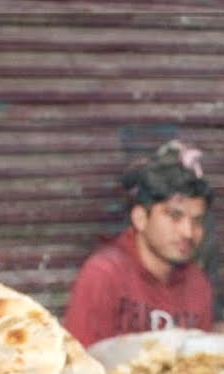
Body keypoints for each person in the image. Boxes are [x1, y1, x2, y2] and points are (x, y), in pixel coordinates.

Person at [63, 143, 215, 346]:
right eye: (175, 216)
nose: (188, 232)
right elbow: (81, 364)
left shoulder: (197, 284)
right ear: (140, 218)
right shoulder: (104, 275)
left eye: (197, 221)